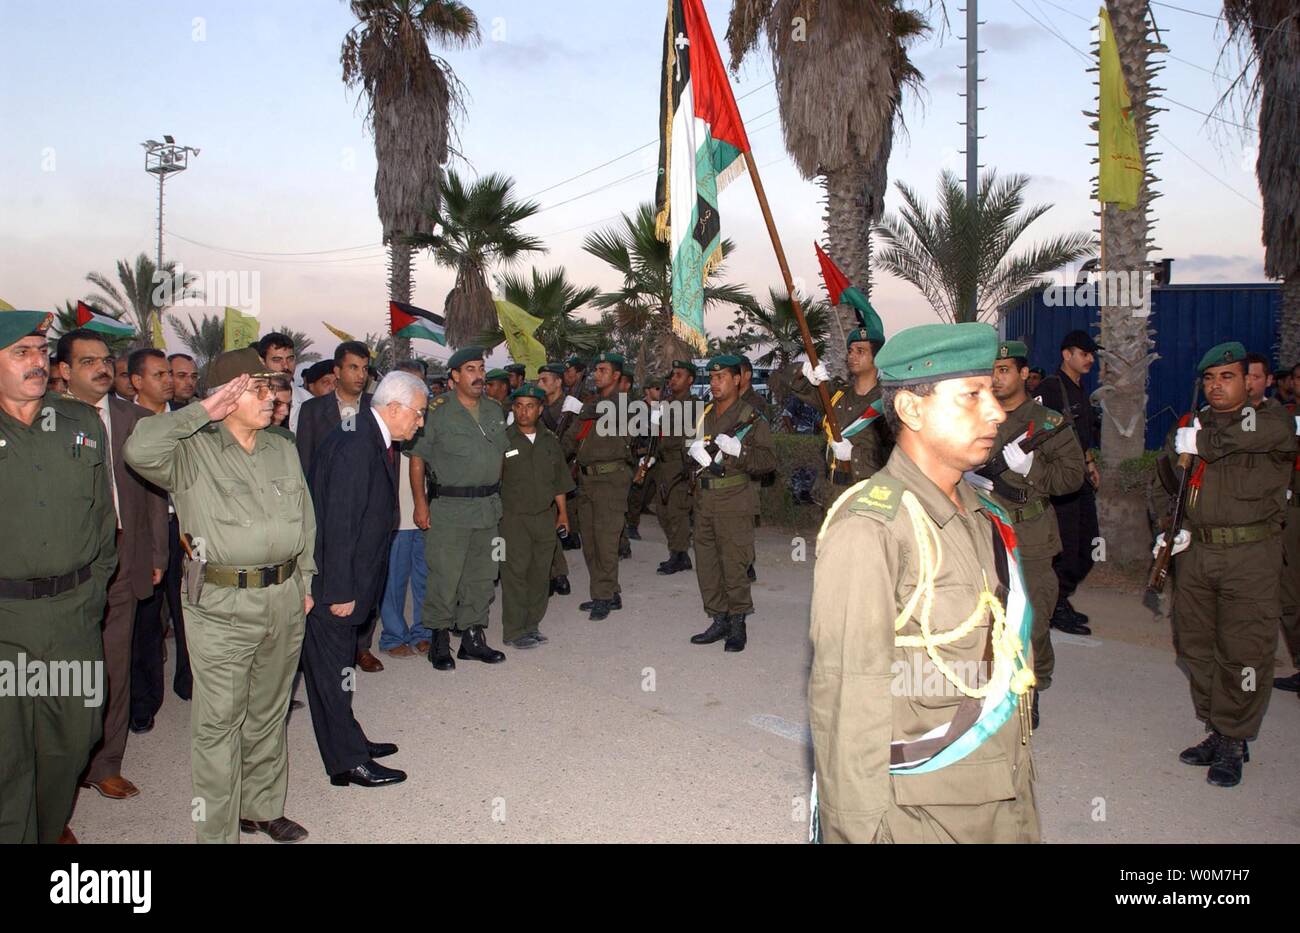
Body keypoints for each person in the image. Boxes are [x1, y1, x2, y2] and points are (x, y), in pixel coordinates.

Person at [808, 322, 1039, 844]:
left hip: (1003, 793)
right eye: (972, 395)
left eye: (993, 392)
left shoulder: (988, 513)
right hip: (925, 815)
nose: (997, 411)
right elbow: (848, 697)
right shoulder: (871, 527)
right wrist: (858, 833)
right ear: (911, 409)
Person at [124, 348, 316, 843]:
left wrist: (306, 582)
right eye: (259, 388)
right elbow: (137, 449)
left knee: (270, 712)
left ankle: (260, 807)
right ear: (227, 396)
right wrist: (199, 412)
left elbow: (306, 522)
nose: (273, 397)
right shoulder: (191, 450)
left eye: (272, 388)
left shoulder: (282, 448)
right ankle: (215, 835)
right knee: (218, 726)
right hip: (222, 605)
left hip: (284, 600)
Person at [1153, 342, 1297, 787]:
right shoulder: (1188, 428)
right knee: (1195, 647)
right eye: (1210, 379)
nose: (1218, 386)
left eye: (1229, 376)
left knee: (1246, 652)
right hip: (1196, 552)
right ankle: (1216, 726)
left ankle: (1235, 737)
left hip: (1250, 556)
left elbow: (1243, 439)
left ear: (1251, 380)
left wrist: (1200, 440)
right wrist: (1166, 529)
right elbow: (1163, 482)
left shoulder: (1272, 421)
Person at [0, 312, 116, 845]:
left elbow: (101, 521)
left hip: (73, 612)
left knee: (74, 738)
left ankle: (47, 832)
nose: (37, 362)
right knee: (8, 754)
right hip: (7, 620)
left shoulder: (81, 423)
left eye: (41, 351)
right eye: (21, 352)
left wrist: (93, 595)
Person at [58, 330, 167, 804]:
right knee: (64, 673)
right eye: (88, 362)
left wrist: (158, 555)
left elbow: (152, 495)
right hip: (62, 567)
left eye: (106, 361)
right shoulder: (40, 419)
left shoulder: (136, 419)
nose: (102, 369)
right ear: (63, 370)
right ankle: (59, 775)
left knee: (114, 666)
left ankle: (106, 764)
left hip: (125, 558)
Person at [302, 371, 425, 788]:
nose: (420, 422)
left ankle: (348, 741)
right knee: (332, 676)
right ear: (393, 408)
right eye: (418, 413)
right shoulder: (357, 444)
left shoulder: (366, 434)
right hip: (337, 587)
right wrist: (338, 591)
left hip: (350, 579)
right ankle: (347, 762)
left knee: (337, 672)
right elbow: (339, 521)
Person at [969, 340, 1085, 729]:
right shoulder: (974, 417)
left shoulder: (1047, 423)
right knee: (984, 618)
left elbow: (1072, 478)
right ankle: (989, 690)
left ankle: (1031, 688)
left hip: (1030, 534)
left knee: (1031, 621)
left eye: (1004, 369)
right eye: (992, 370)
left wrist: (1031, 469)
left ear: (1023, 373)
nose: (996, 378)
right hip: (982, 529)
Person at [409, 347, 509, 670]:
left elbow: (501, 457)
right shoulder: (437, 411)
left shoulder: (494, 411)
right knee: (445, 574)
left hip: (487, 508)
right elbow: (418, 458)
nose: (479, 375)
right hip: (449, 508)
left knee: (483, 575)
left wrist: (497, 492)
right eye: (470, 369)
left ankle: (472, 638)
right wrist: (420, 503)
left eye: (481, 368)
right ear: (454, 375)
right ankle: (439, 639)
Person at [295, 342, 380, 670]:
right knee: (328, 579)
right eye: (353, 368)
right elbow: (305, 463)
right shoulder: (314, 411)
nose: (360, 375)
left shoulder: (375, 407)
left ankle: (362, 645)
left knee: (366, 577)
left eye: (364, 368)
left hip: (367, 511)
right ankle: (324, 648)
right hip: (326, 513)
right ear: (337, 371)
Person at [686, 356, 776, 652]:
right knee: (707, 565)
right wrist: (692, 452)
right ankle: (718, 618)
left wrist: (740, 452)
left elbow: (768, 462)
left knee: (734, 565)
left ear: (738, 379)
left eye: (721, 377)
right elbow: (687, 450)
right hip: (704, 499)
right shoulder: (704, 414)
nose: (714, 383)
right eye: (711, 378)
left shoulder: (751, 416)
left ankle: (738, 622)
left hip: (735, 501)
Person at [128, 348, 189, 730]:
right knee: (145, 618)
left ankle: (191, 682)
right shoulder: (124, 421)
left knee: (189, 610)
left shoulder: (188, 420)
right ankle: (143, 701)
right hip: (142, 533)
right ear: (136, 381)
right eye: (159, 374)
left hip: (183, 529)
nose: (168, 380)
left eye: (171, 373)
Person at [1034, 329, 1101, 635]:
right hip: (1060, 481)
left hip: (1081, 478)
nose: (1090, 359)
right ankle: (1056, 605)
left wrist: (1090, 463)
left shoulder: (1079, 389)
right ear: (1066, 355)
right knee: (1066, 546)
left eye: (1091, 355)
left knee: (1087, 544)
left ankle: (1061, 597)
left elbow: (1082, 434)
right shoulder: (1051, 388)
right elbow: (1035, 433)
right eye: (1084, 353)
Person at [499, 384, 574, 648]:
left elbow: (559, 481)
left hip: (545, 517)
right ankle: (514, 630)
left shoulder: (550, 440)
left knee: (540, 574)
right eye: (518, 406)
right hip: (512, 519)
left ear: (540, 409)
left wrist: (563, 514)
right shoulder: (503, 439)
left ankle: (532, 625)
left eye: (530, 406)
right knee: (514, 574)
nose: (523, 411)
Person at [562, 352, 632, 621]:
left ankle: (602, 596)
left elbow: (605, 413)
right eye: (596, 369)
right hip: (587, 479)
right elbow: (570, 439)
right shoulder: (592, 403)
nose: (597, 374)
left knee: (605, 540)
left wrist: (580, 408)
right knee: (590, 542)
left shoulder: (624, 404)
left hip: (611, 480)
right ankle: (609, 592)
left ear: (616, 376)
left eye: (603, 370)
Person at [793, 318, 893, 494]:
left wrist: (854, 455)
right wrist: (803, 371)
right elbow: (787, 383)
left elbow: (896, 456)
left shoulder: (888, 404)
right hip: (832, 491)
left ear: (877, 359)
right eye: (850, 351)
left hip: (869, 494)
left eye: (860, 351)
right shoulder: (836, 395)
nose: (852, 356)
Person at [378, 362, 435, 659]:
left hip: (424, 510)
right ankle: (393, 635)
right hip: (396, 516)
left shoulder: (424, 421)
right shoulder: (385, 425)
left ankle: (423, 632)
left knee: (425, 576)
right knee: (393, 579)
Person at [653, 361, 695, 575]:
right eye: (672, 375)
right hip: (663, 463)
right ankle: (678, 552)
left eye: (679, 375)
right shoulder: (667, 403)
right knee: (662, 510)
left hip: (680, 463)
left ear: (690, 380)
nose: (673, 379)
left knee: (676, 510)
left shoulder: (694, 405)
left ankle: (679, 554)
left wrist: (688, 468)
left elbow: (692, 438)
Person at [537, 362, 575, 595]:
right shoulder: (537, 406)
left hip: (563, 472)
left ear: (558, 382)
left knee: (553, 524)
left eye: (545, 380)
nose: (540, 384)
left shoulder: (570, 407)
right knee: (547, 525)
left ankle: (557, 574)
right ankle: (557, 574)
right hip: (541, 473)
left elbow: (573, 442)